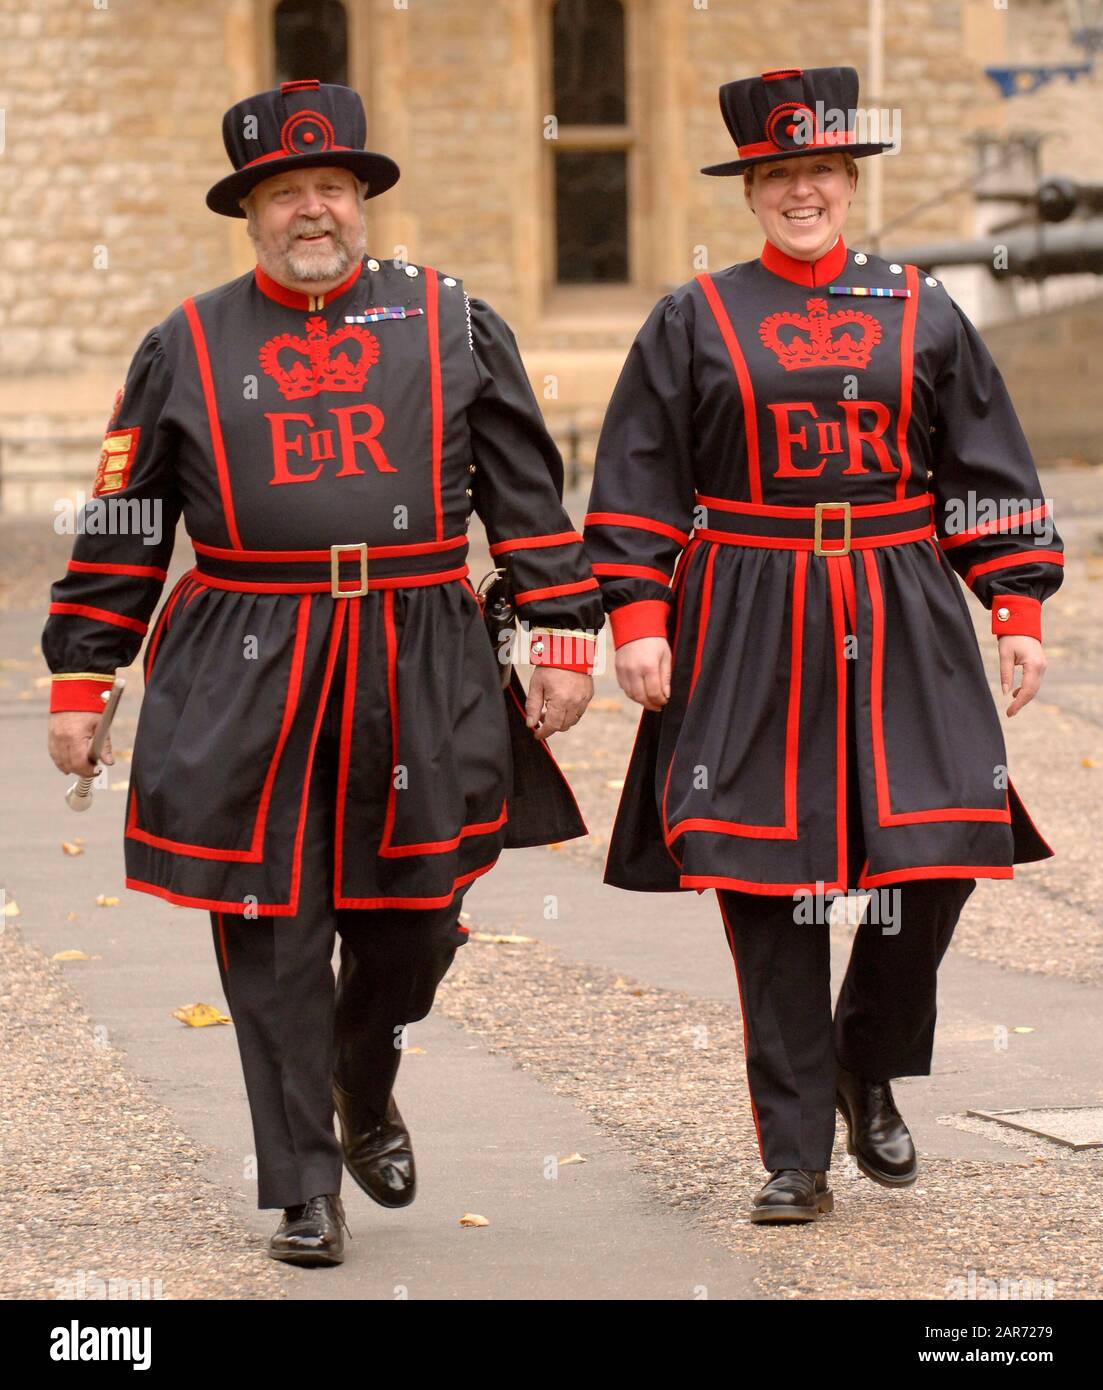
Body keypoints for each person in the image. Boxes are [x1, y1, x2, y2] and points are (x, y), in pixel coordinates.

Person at [44, 79, 601, 1265]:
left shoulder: (453, 322)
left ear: (363, 201)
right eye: (284, 191)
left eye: (332, 188)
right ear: (249, 212)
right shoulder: (184, 344)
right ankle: (303, 1183)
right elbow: (124, 526)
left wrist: (561, 632)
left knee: (416, 922)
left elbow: (526, 497)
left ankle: (365, 1067)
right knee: (270, 924)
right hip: (246, 658)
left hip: (420, 649)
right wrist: (82, 681)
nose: (312, 210)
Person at [583, 66, 1064, 1224]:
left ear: (847, 184)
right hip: (744, 604)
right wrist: (638, 620)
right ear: (751, 189)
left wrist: (1014, 604)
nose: (801, 192)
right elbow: (638, 473)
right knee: (769, 880)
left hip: (901, 598)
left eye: (821, 173)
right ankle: (793, 1150)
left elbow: (984, 469)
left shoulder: (922, 307)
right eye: (778, 174)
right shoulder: (691, 316)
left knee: (944, 843)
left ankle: (863, 1059)